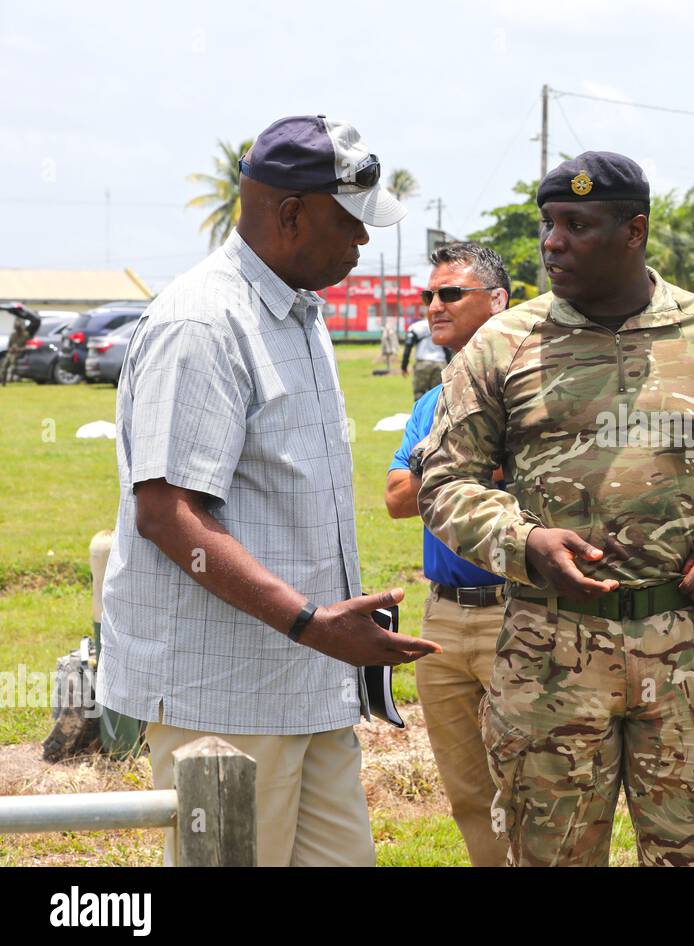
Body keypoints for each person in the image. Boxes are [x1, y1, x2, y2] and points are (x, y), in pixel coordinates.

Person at [414, 151, 694, 867]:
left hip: (692, 652)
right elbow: (443, 481)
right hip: (549, 652)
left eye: (578, 225)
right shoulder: (503, 346)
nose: (553, 242)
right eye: (550, 223)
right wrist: (523, 542)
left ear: (634, 230)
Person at [99, 115, 439, 867]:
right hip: (221, 698)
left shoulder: (297, 313)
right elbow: (167, 514)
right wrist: (312, 621)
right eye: (351, 222)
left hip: (306, 685)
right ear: (291, 214)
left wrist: (322, 633)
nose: (362, 242)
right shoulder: (203, 322)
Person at [385, 241, 511, 866]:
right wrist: (471, 465)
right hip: (441, 619)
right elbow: (398, 498)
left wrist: (436, 466)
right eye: (429, 295)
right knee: (467, 794)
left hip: (519, 613)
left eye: (451, 294)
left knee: (534, 787)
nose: (435, 305)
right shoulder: (431, 403)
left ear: (498, 301)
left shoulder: (532, 396)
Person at [401, 312, 448, 402]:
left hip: (423, 363)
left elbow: (408, 346)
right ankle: (434, 415)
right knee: (437, 395)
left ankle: (420, 416)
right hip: (440, 363)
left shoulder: (416, 327)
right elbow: (447, 348)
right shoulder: (441, 325)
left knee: (419, 393)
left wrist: (404, 366)